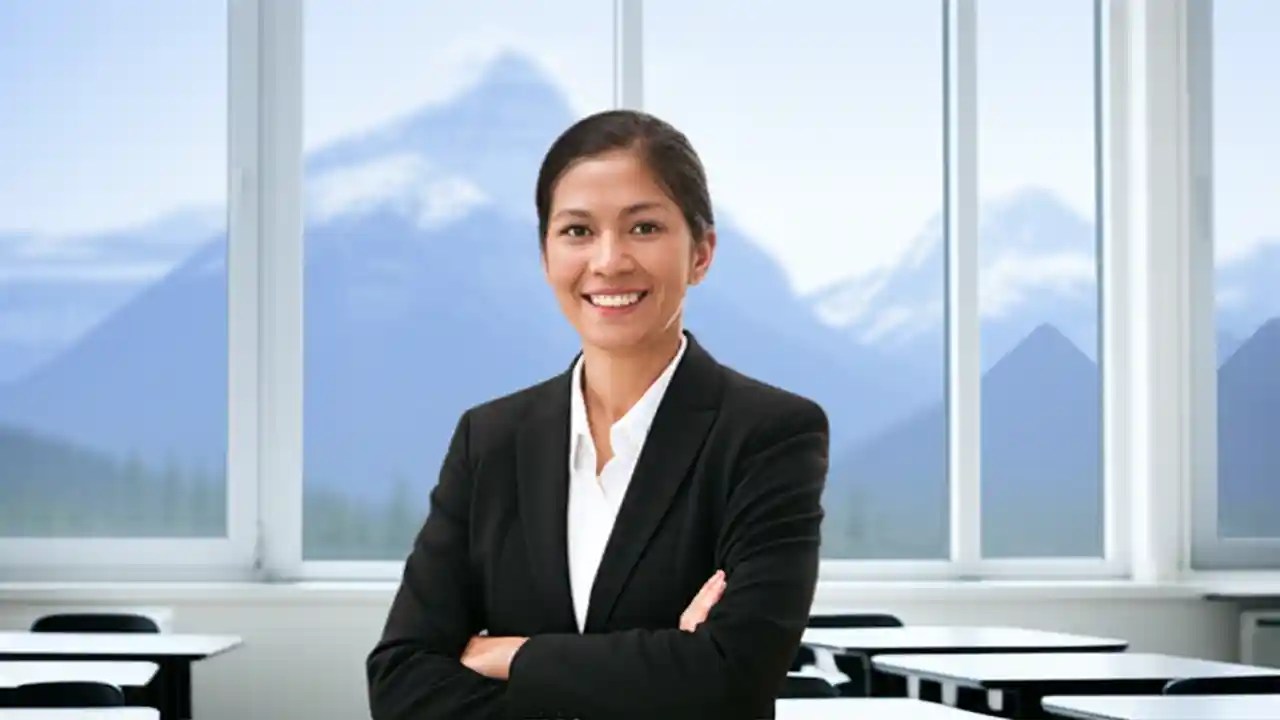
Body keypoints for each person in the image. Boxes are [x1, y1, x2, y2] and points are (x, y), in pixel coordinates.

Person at [367, 109, 829, 719]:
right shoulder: (490, 440)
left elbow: (732, 677)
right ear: (545, 256)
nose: (608, 261)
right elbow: (401, 681)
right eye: (578, 231)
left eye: (643, 228)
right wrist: (661, 669)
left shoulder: (768, 435)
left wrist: (515, 656)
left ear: (701, 253)